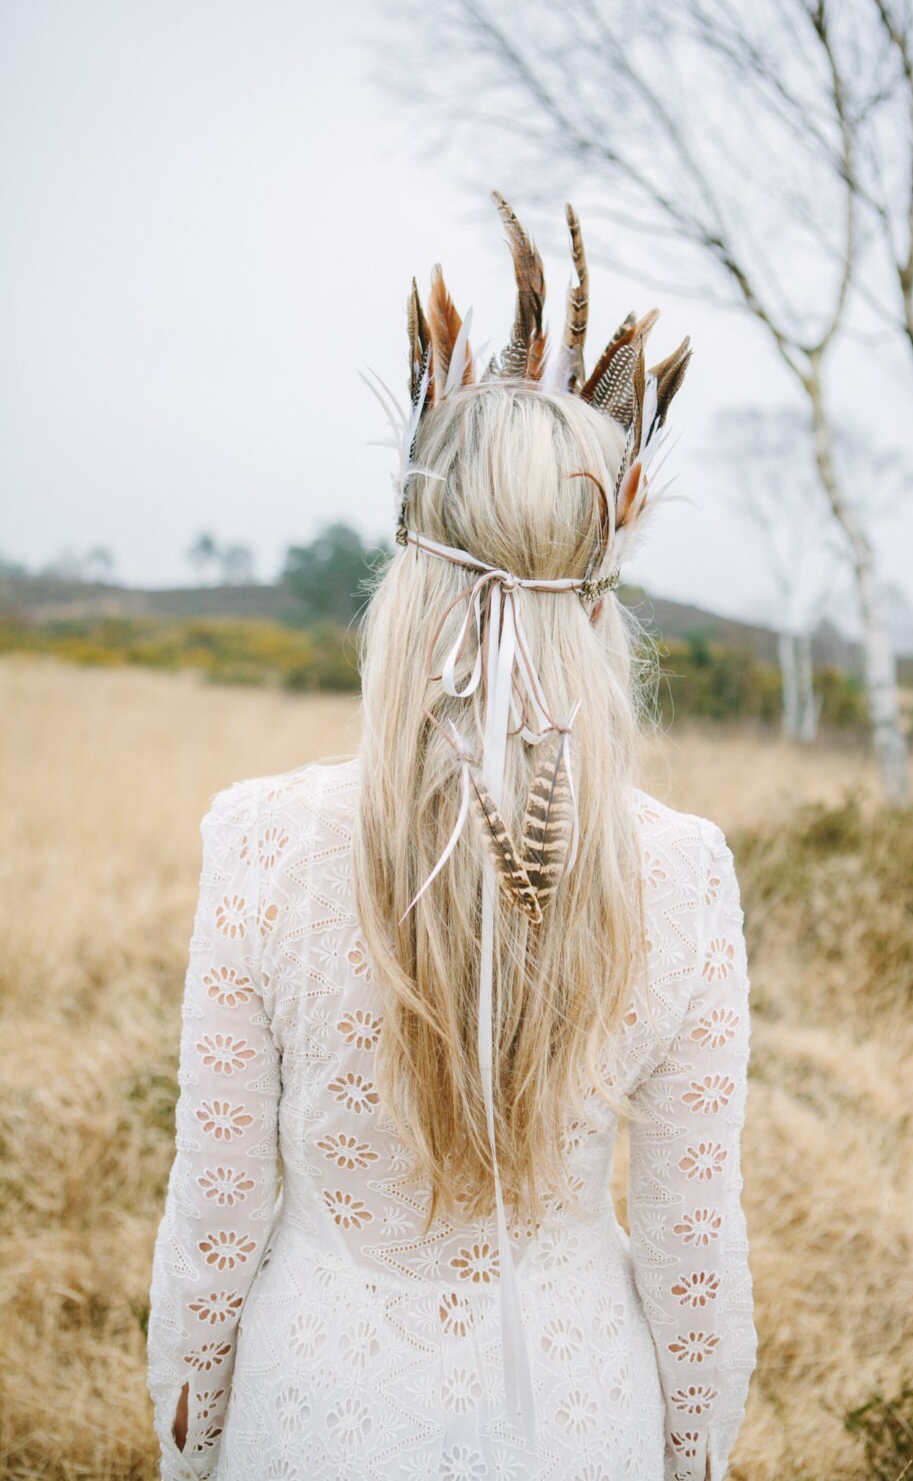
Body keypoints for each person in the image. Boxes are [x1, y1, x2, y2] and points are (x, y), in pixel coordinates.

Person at [147, 193, 757, 1481]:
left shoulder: (263, 842)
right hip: (586, 1424)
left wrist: (189, 1435)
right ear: (601, 579)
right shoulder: (684, 871)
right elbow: (693, 1240)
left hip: (316, 1420)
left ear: (408, 581)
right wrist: (693, 1449)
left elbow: (216, 1209)